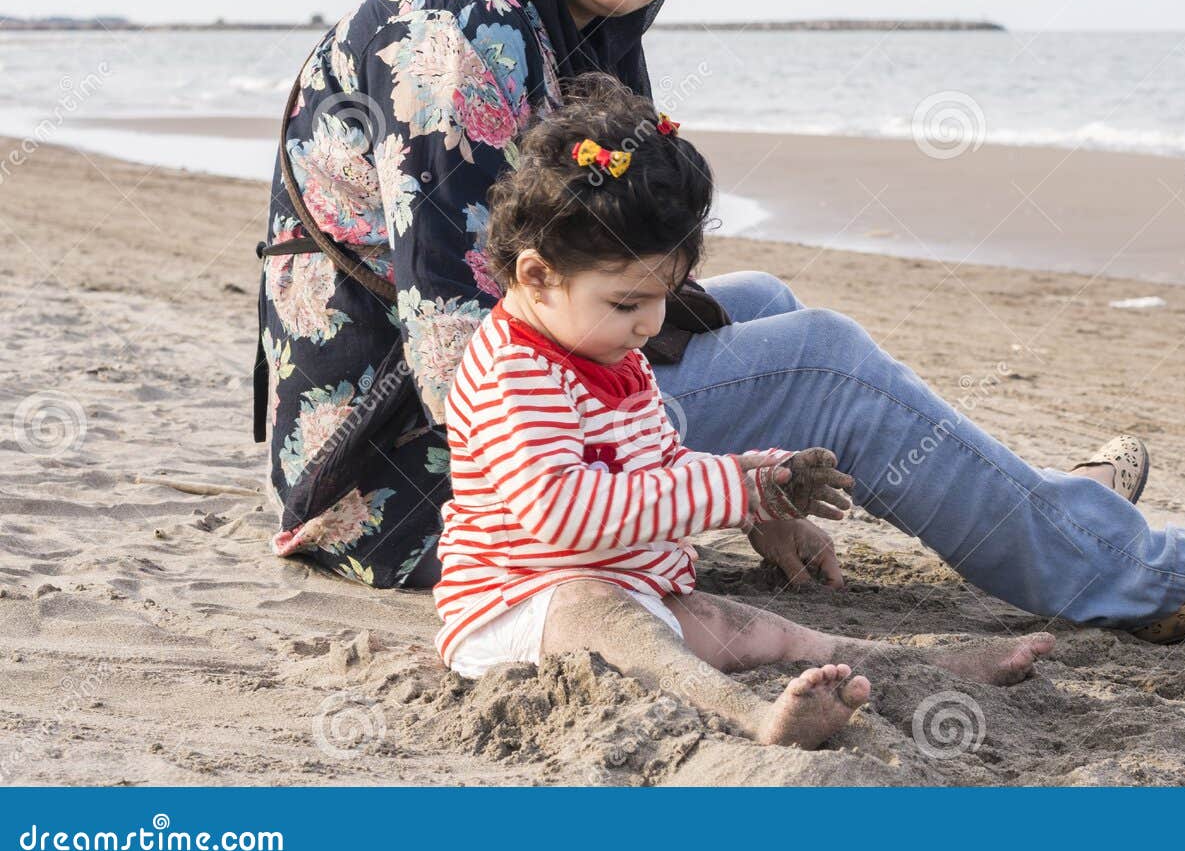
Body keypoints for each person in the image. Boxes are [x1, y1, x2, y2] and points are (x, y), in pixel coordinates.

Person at [255, 0, 1185, 643]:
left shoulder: (556, 21)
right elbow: (464, 357)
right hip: (418, 501)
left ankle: (1026, 506)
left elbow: (604, 276)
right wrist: (731, 473)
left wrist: (750, 486)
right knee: (821, 365)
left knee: (754, 304)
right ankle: (1132, 572)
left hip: (458, 449)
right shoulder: (465, 28)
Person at [434, 76, 1056, 747]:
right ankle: (751, 713)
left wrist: (763, 478)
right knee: (611, 619)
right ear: (535, 276)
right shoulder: (516, 369)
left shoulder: (613, 352)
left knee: (764, 629)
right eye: (627, 302)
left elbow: (665, 464)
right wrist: (733, 490)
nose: (652, 323)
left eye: (664, 296)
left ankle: (913, 664)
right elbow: (562, 511)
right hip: (522, 605)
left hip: (633, 584)